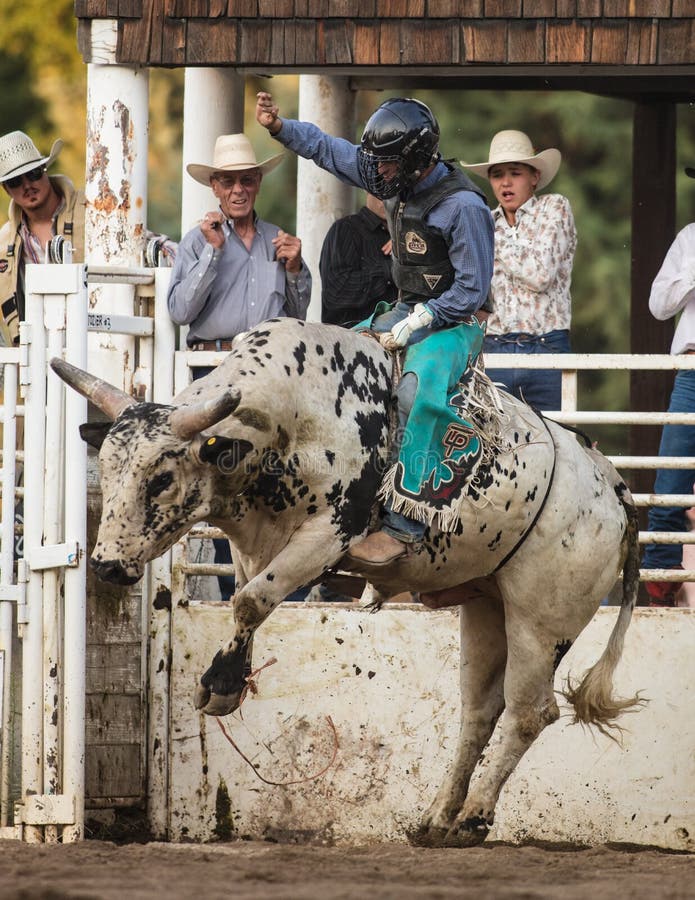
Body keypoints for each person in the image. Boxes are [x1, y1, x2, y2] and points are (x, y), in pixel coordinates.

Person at [256, 91, 494, 565]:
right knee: (337, 359)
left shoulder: (464, 206)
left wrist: (424, 318)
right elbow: (330, 150)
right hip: (405, 308)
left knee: (415, 392)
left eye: (386, 163)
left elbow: (473, 289)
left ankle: (405, 525)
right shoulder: (392, 175)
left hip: (456, 323)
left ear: (414, 160)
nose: (376, 171)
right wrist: (282, 129)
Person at [168, 132, 311, 599]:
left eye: (246, 180)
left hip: (267, 373)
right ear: (214, 186)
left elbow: (298, 316)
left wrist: (296, 270)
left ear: (257, 183)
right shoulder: (197, 241)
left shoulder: (278, 239)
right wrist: (212, 252)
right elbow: (179, 310)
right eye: (228, 181)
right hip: (212, 370)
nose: (238, 190)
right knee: (218, 476)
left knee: (271, 476)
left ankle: (274, 589)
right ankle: (224, 589)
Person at [0, 129, 176, 348]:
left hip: (100, 343)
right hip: (36, 353)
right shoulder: (4, 241)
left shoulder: (91, 210)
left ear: (45, 171)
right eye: (15, 181)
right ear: (6, 189)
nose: (27, 186)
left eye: (33, 174)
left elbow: (143, 241)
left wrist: (190, 259)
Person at [461, 130, 577, 410]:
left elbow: (540, 275)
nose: (506, 182)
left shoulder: (554, 207)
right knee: (494, 435)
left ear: (534, 177)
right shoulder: (484, 221)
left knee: (555, 434)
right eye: (497, 175)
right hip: (493, 349)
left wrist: (486, 235)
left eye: (515, 173)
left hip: (546, 346)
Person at [640, 174, 695, 607]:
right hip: (693, 370)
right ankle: (660, 603)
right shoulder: (690, 238)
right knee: (668, 488)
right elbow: (658, 306)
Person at [320, 193, 397, 327]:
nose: (389, 198)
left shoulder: (410, 233)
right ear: (368, 189)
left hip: (403, 331)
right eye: (382, 192)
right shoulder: (346, 228)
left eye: (396, 193)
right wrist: (391, 269)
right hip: (353, 336)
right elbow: (336, 292)